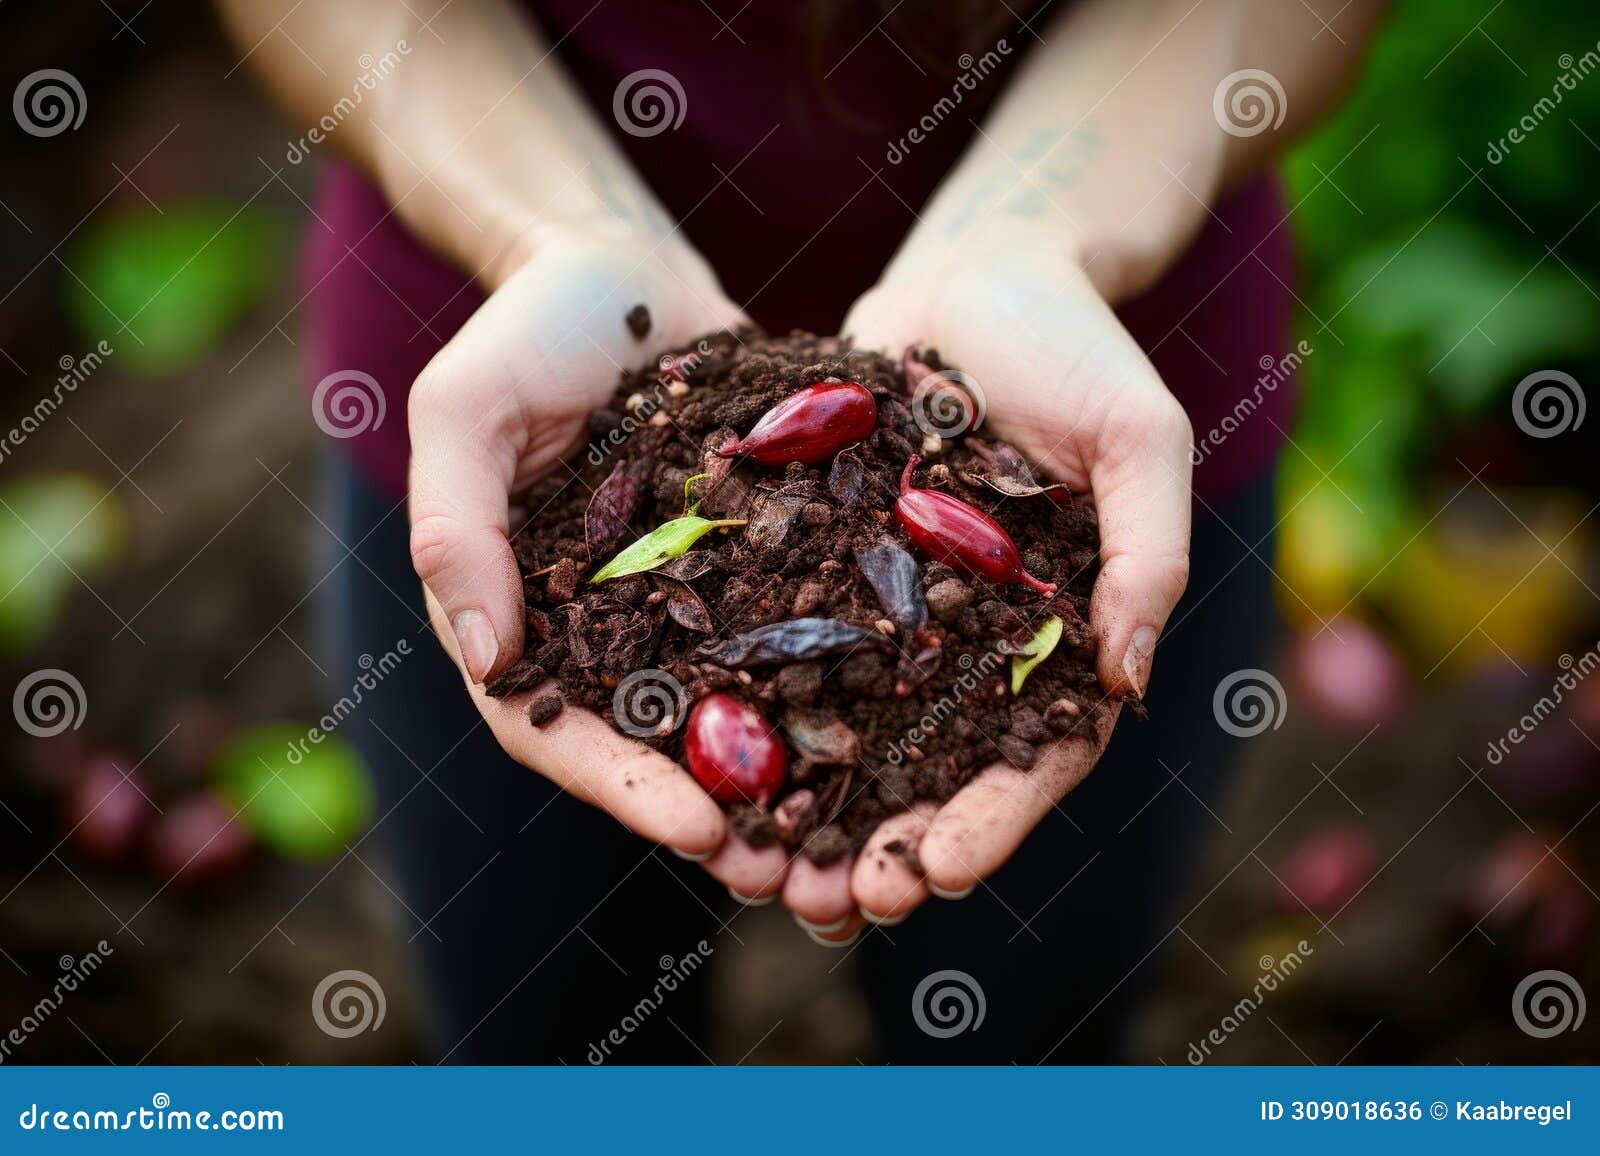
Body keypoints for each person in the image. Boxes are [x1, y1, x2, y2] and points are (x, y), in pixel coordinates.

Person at [219, 0, 1386, 1062]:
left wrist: (1035, 233)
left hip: (1086, 411)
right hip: (519, 417)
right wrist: (558, 235)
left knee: (1023, 1058)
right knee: (550, 1054)